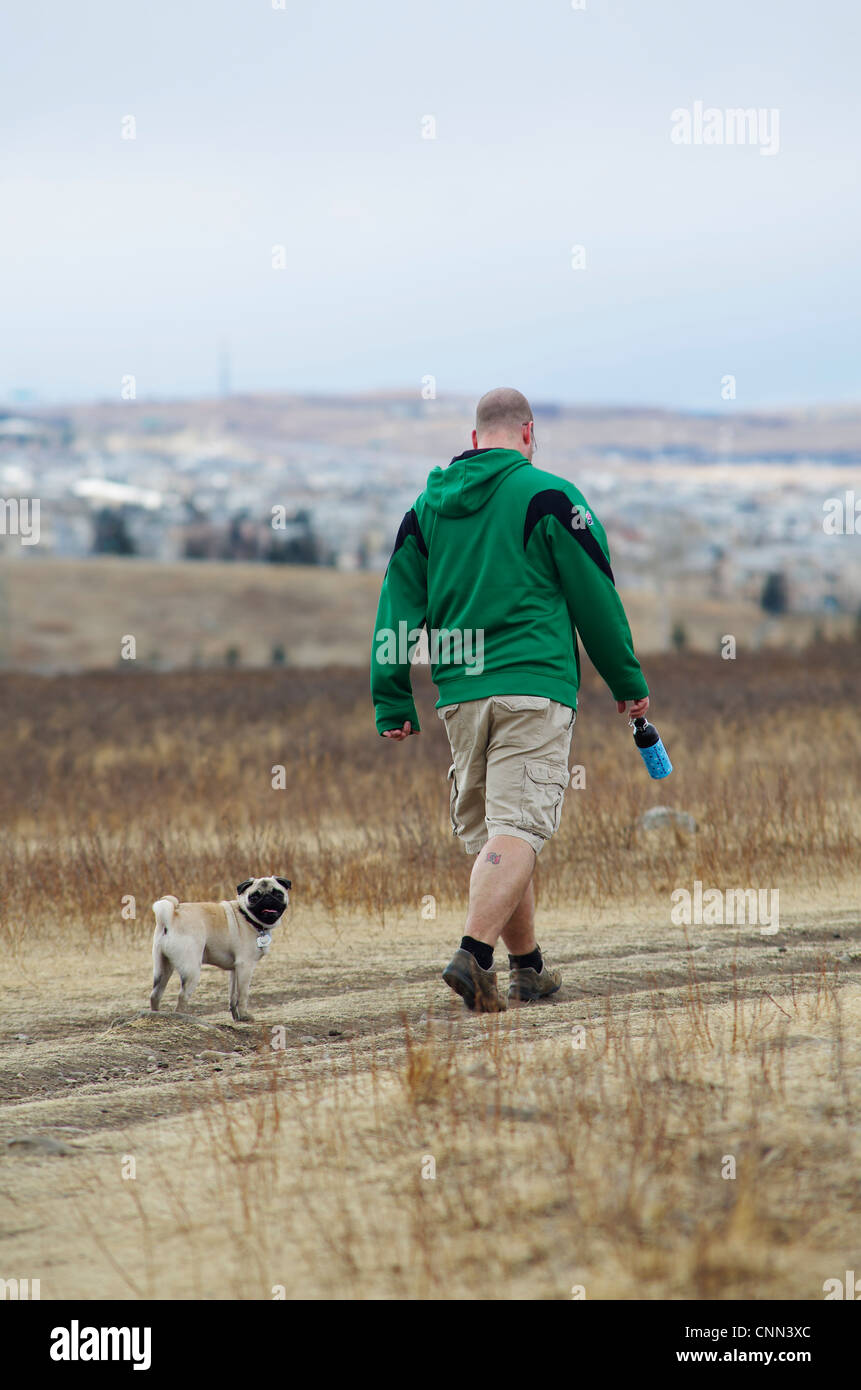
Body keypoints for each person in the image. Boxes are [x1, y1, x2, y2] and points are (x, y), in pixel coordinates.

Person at [371, 387, 650, 1012]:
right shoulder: (551, 497)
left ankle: (529, 969)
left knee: (501, 832)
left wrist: (391, 697)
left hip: (460, 696)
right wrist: (627, 683)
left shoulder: (425, 510)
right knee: (520, 827)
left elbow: (397, 605)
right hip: (535, 684)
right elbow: (596, 600)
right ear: (528, 434)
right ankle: (474, 955)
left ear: (475, 440)